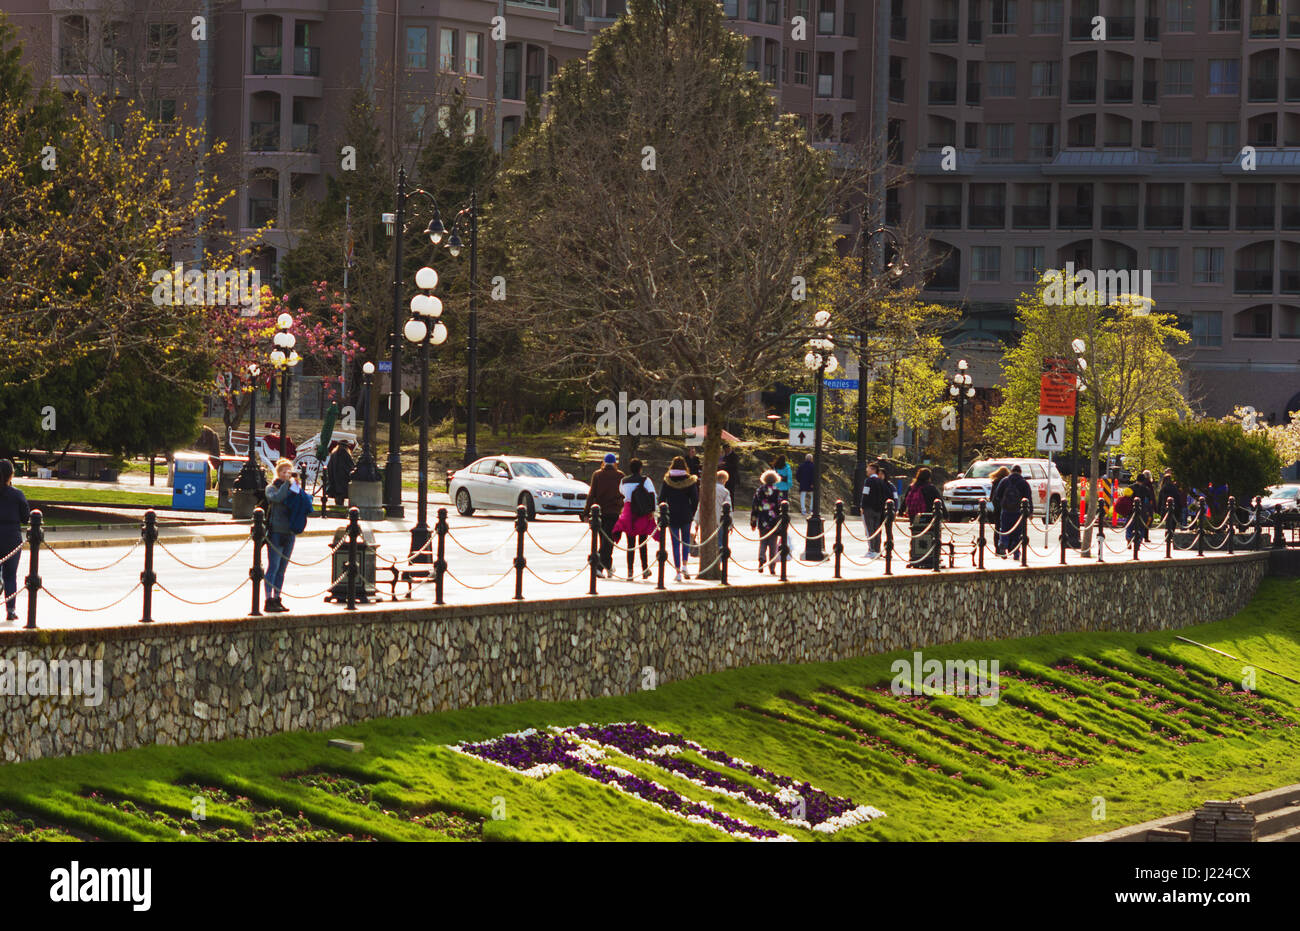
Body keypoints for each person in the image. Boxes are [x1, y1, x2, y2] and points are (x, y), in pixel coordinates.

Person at [263, 458, 306, 612]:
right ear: (278, 472)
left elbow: (300, 500)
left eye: (289, 471)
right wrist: (287, 484)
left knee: (282, 568)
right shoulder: (271, 487)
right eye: (283, 472)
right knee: (273, 566)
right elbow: (277, 498)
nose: (286, 474)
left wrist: (296, 485)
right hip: (276, 532)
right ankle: (268, 599)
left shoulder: (292, 487)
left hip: (289, 532)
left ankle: (277, 597)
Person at [613, 458, 657, 580]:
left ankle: (630, 571)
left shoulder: (624, 481)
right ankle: (644, 569)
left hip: (628, 512)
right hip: (642, 512)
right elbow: (652, 495)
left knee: (630, 544)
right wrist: (652, 511)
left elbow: (621, 493)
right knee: (642, 543)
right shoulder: (646, 480)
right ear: (640, 468)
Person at [583, 453, 624, 578]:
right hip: (613, 512)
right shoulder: (620, 476)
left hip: (599, 512)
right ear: (615, 463)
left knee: (603, 541)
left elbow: (591, 494)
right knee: (609, 542)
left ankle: (607, 565)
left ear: (603, 462)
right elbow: (623, 495)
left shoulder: (597, 475)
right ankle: (598, 565)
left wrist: (586, 513)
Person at [660, 457, 699, 582]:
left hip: (672, 514)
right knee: (686, 541)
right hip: (686, 514)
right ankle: (685, 565)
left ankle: (677, 571)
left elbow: (661, 498)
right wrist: (692, 512)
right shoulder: (690, 480)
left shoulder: (667, 480)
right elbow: (695, 500)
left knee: (675, 543)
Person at [0, 459, 30, 621]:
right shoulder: (17, 494)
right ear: (11, 474)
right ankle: (10, 610)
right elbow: (26, 518)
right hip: (12, 537)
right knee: (10, 575)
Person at [902, 468, 942, 569]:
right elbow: (939, 501)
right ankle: (930, 557)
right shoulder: (931, 488)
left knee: (915, 535)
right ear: (929, 477)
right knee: (932, 536)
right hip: (929, 515)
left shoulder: (912, 487)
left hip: (914, 516)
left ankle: (914, 557)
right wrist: (945, 515)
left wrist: (901, 511)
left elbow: (905, 501)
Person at [994, 464, 1032, 560]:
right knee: (1018, 532)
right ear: (1020, 472)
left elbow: (997, 496)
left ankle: (1003, 544)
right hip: (1018, 512)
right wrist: (1030, 512)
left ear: (1011, 471)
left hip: (1006, 511)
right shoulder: (1024, 483)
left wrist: (1002, 505)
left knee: (1004, 529)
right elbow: (1028, 498)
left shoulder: (1004, 481)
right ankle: (1016, 552)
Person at [751, 469, 783, 574]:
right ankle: (772, 567)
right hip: (773, 520)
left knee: (763, 542)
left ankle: (761, 558)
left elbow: (755, 506)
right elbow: (780, 506)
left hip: (762, 519)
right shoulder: (777, 491)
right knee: (773, 545)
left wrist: (753, 522)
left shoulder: (759, 490)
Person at [860, 461, 889, 558]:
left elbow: (865, 494)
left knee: (869, 529)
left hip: (869, 508)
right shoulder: (881, 482)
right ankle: (877, 549)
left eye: (868, 469)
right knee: (877, 529)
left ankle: (871, 550)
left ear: (873, 469)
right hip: (879, 510)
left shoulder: (868, 481)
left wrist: (862, 506)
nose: (866, 470)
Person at [987, 466, 1011, 556]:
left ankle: (997, 548)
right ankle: (1007, 547)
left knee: (997, 528)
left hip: (997, 509)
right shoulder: (1008, 482)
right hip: (1006, 509)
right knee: (1007, 528)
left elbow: (992, 497)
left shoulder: (995, 482)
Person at [324, 441, 353, 514]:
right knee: (341, 494)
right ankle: (340, 510)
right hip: (342, 478)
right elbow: (350, 466)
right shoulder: (345, 453)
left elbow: (329, 466)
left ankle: (338, 507)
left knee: (338, 495)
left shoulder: (334, 453)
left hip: (334, 478)